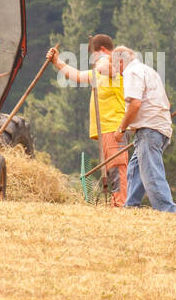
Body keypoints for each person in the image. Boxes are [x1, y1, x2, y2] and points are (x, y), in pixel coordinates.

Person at [45, 35, 128, 206]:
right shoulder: (98, 74)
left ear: (103, 51)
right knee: (111, 168)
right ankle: (116, 202)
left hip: (115, 129)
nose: (94, 59)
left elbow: (105, 65)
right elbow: (76, 75)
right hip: (104, 130)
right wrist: (57, 61)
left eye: (94, 55)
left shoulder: (116, 70)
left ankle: (120, 203)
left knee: (117, 167)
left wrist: (103, 59)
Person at [113, 46, 176, 213]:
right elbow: (167, 104)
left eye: (115, 65)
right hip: (159, 128)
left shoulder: (131, 72)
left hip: (149, 130)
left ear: (121, 61)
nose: (116, 71)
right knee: (135, 168)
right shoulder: (149, 71)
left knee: (151, 173)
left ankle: (168, 211)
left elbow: (135, 103)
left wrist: (121, 129)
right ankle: (131, 206)